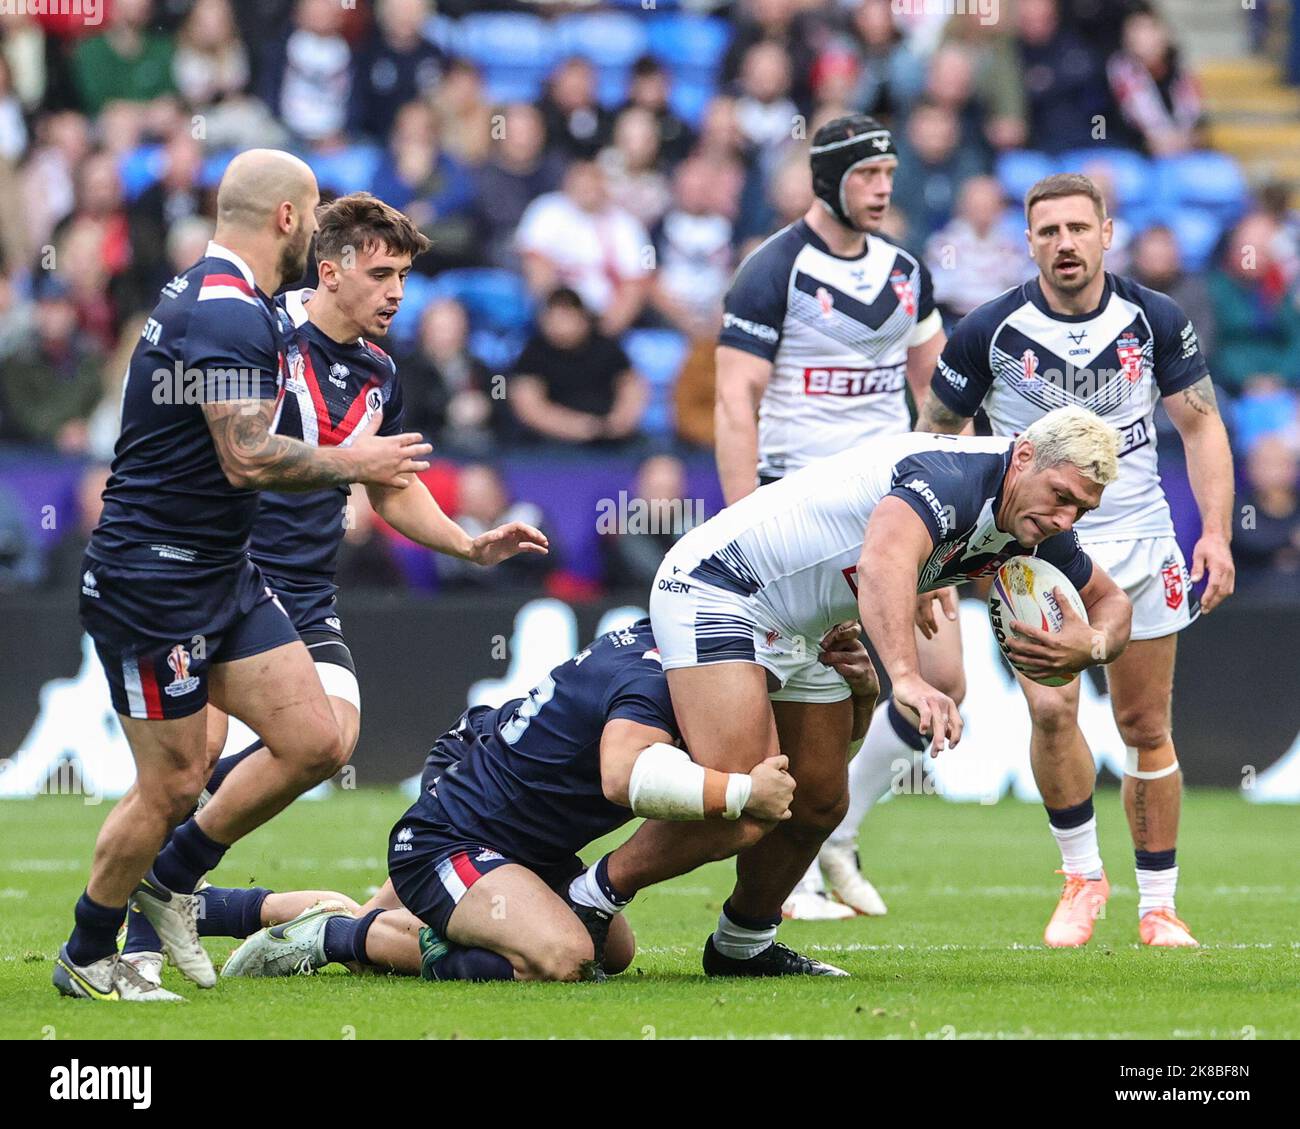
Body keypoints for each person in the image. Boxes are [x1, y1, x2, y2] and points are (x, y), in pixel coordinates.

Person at [116, 192, 550, 989]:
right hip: (226, 573)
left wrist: (465, 540)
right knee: (198, 756)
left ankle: (175, 882)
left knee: (331, 739)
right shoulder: (260, 327)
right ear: (330, 269)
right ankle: (152, 900)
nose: (395, 292)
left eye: (405, 277)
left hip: (305, 589)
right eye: (381, 273)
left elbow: (389, 484)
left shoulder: (381, 370)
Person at [54, 151, 435, 1003]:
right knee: (178, 779)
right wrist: (355, 458)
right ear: (291, 220)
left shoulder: (232, 300)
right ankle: (88, 949)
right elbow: (246, 455)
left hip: (223, 575)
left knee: (316, 738)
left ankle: (173, 881)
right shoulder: (227, 312)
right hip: (152, 579)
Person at [633, 407, 1131, 975]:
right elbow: (883, 563)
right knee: (747, 803)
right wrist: (908, 677)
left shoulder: (1034, 523)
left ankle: (741, 946)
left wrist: (1089, 647)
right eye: (1061, 495)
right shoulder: (952, 479)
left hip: (805, 628)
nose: (1066, 519)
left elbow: (1113, 603)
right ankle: (593, 895)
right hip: (722, 587)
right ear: (1022, 457)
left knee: (818, 801)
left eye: (1081, 510)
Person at [919, 172, 1236, 948]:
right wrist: (936, 556)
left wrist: (1217, 532)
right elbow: (933, 437)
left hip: (1140, 539)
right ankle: (1082, 879)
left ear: (1105, 233)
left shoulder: (1154, 318)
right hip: (1032, 549)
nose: (1064, 243)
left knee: (1143, 722)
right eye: (1048, 231)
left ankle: (1157, 904)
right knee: (1051, 707)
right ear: (1028, 242)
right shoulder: (986, 330)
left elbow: (1200, 428)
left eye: (1077, 228)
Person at [218, 618, 807, 983]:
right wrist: (741, 791)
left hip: (517, 833)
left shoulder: (682, 649)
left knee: (615, 954)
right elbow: (621, 774)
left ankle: (220, 909)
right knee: (561, 957)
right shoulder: (658, 674)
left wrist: (858, 692)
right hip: (455, 835)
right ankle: (333, 938)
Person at [713, 114, 954, 919]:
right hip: (802, 510)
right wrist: (744, 522)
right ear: (828, 180)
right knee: (819, 693)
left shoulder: (907, 270)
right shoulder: (771, 269)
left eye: (889, 174)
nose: (883, 189)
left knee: (943, 681)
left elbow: (940, 398)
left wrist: (943, 512)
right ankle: (798, 872)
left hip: (894, 510)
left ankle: (840, 830)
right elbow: (734, 399)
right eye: (866, 175)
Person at [508, 287, 648, 448]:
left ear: (582, 317)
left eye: (566, 316)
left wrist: (618, 422)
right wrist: (581, 428)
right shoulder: (533, 353)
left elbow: (631, 387)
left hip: (613, 441)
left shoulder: (607, 347)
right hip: (551, 444)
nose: (559, 324)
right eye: (553, 317)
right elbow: (529, 407)